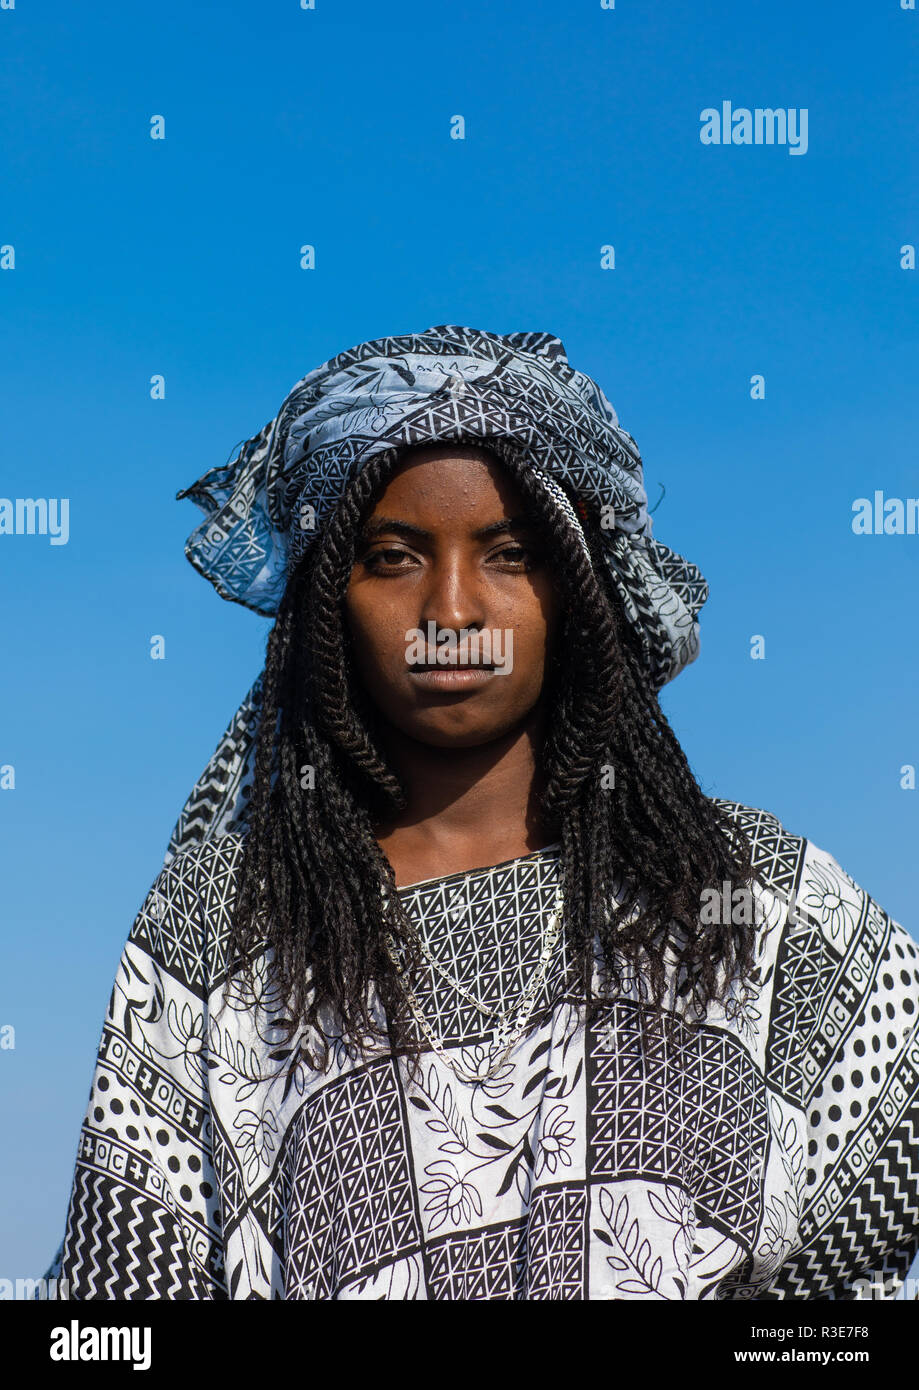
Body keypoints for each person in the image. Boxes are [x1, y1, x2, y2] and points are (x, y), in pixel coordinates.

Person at [47, 325, 919, 1300]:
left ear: (574, 591)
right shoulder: (224, 922)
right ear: (328, 598)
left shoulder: (755, 897)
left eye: (508, 553)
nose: (451, 609)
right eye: (391, 556)